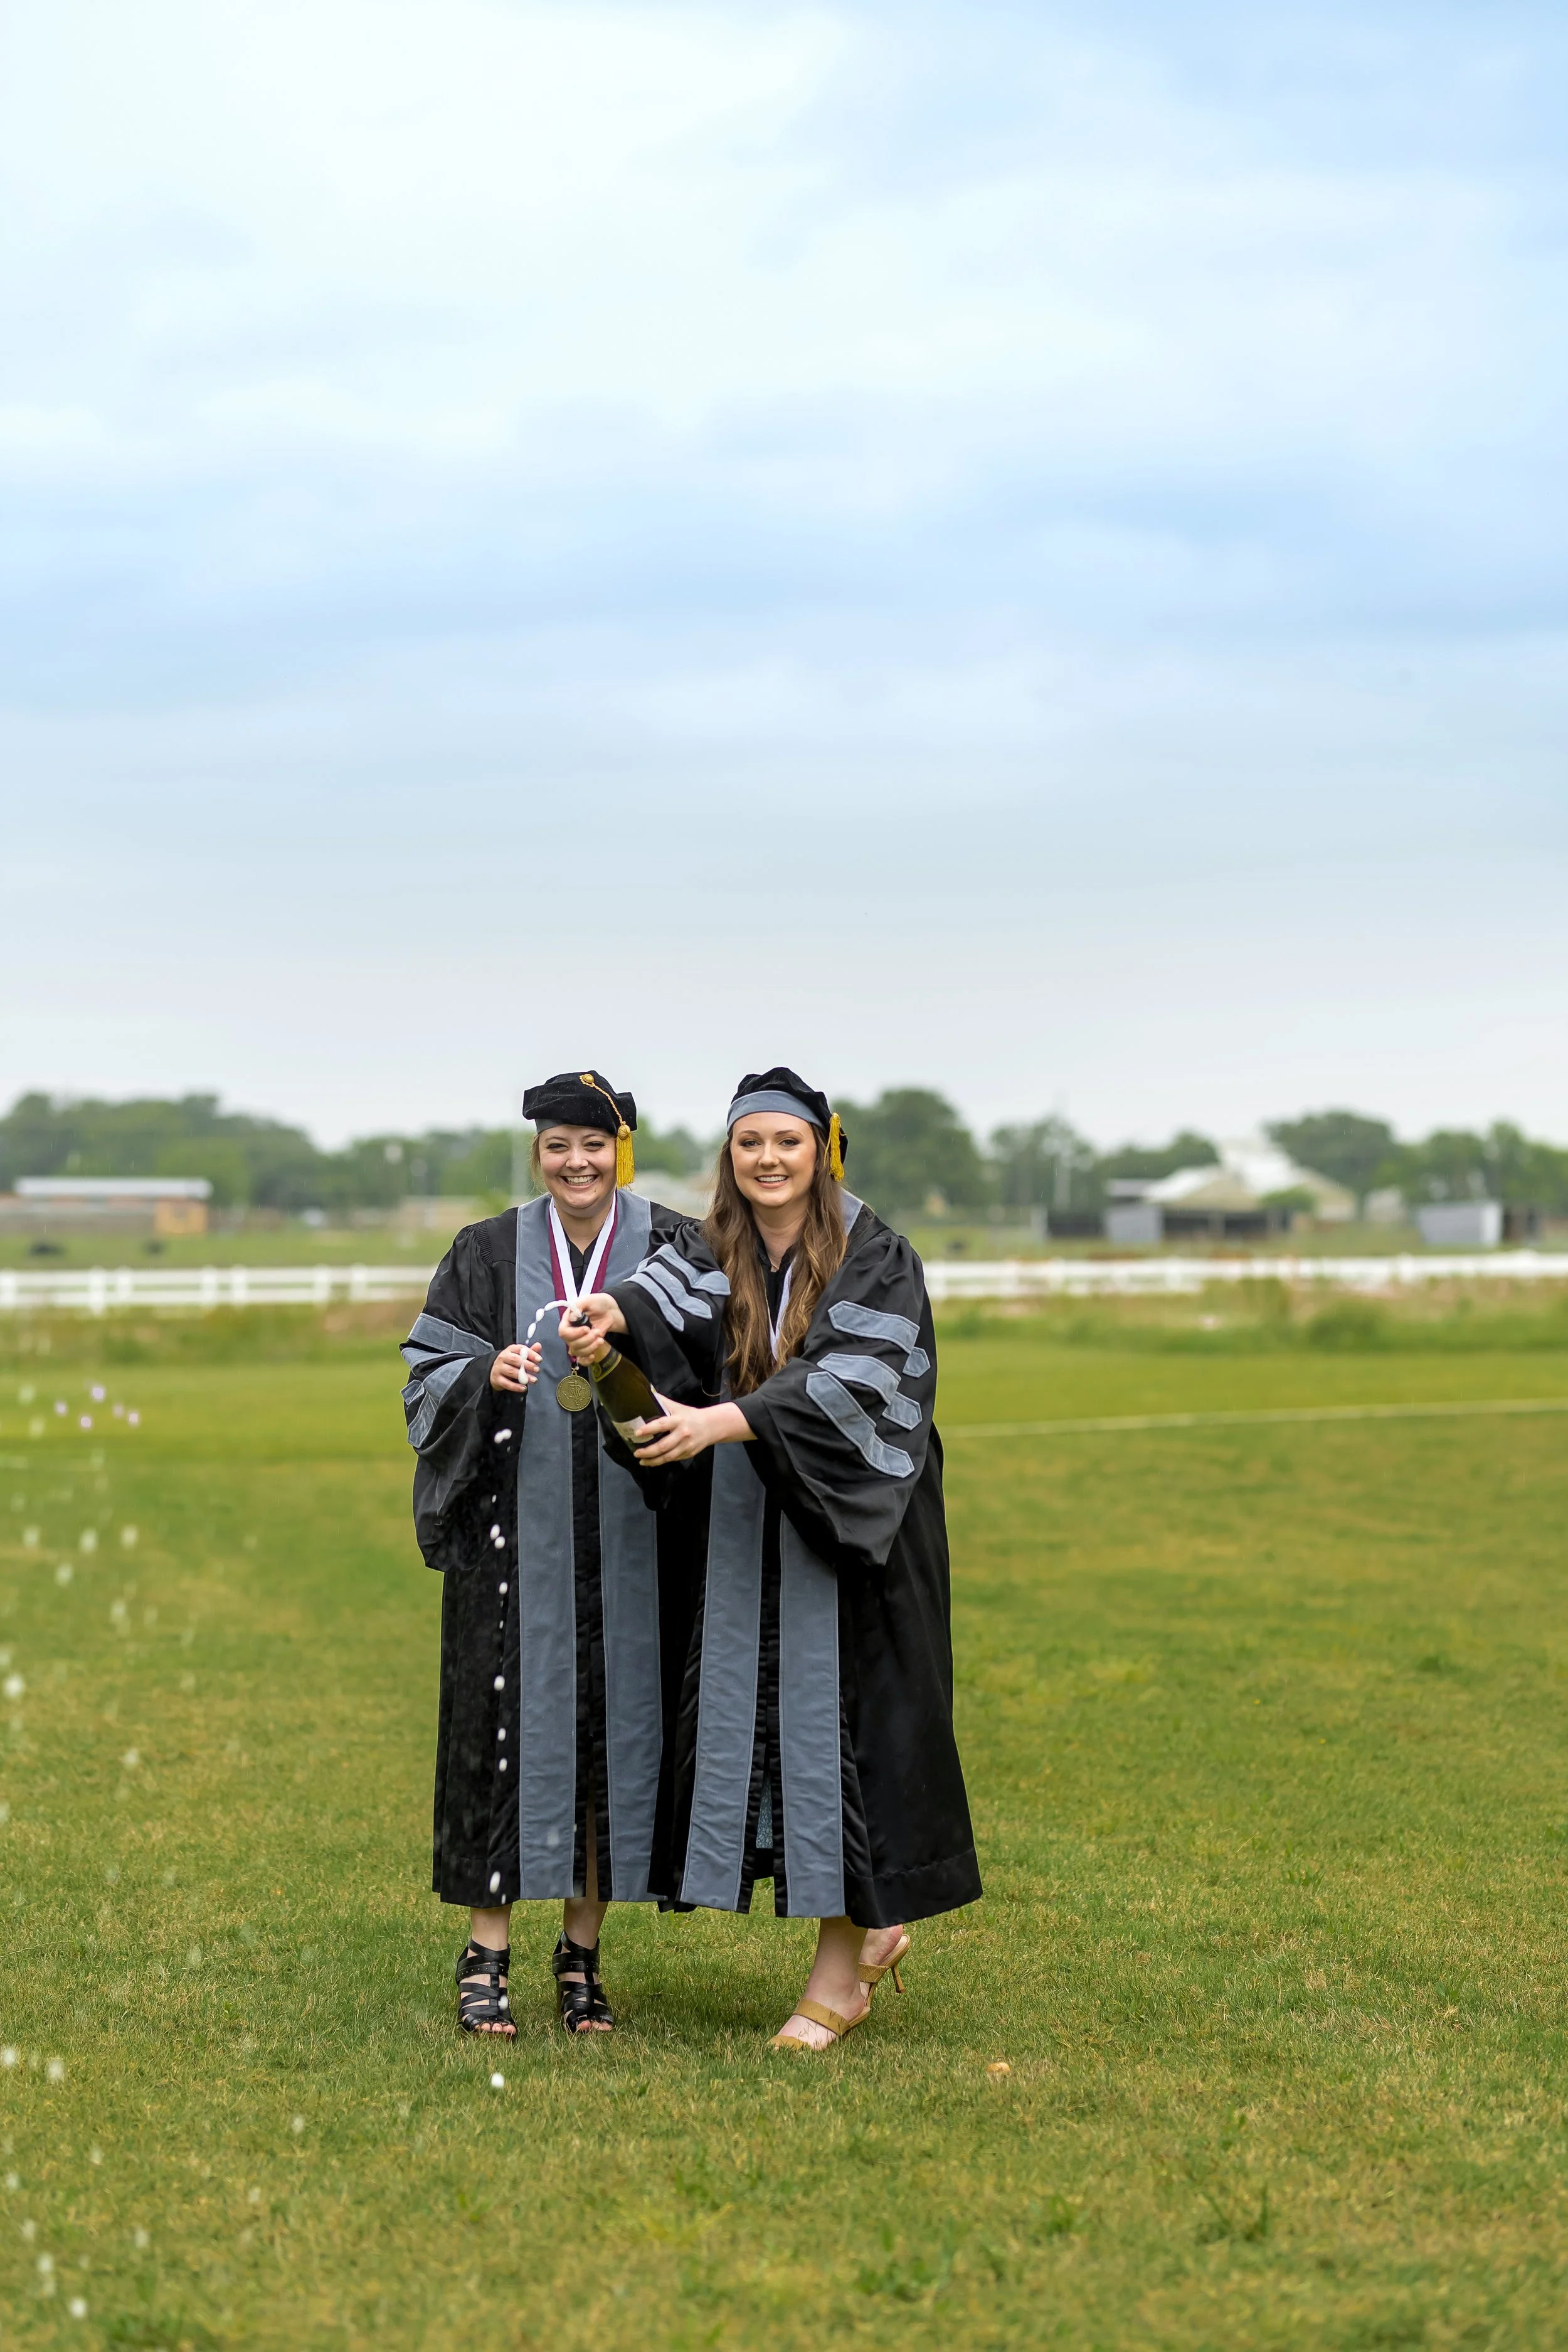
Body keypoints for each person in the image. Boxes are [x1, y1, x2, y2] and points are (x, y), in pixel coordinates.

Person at [563, 1066, 980, 2052]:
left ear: (822, 1150)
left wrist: (724, 1419)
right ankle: (870, 1929)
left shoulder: (877, 1253)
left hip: (856, 1533)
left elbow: (857, 1380)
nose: (768, 1158)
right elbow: (659, 1303)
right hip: (748, 1538)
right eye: (749, 1141)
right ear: (730, 1154)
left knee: (855, 1737)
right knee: (769, 1734)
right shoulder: (715, 1246)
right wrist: (611, 1316)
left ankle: (839, 1979)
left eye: (787, 1140)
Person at [400, 1070, 697, 2038]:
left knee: (614, 1736)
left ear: (622, 1151)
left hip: (636, 1542)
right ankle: (485, 1952)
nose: (577, 1161)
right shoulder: (485, 1250)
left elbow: (710, 1365)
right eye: (559, 1144)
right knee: (499, 1733)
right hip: (510, 1548)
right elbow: (424, 1371)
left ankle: (581, 1954)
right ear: (538, 1153)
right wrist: (482, 1370)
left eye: (594, 1144)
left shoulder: (672, 1248)